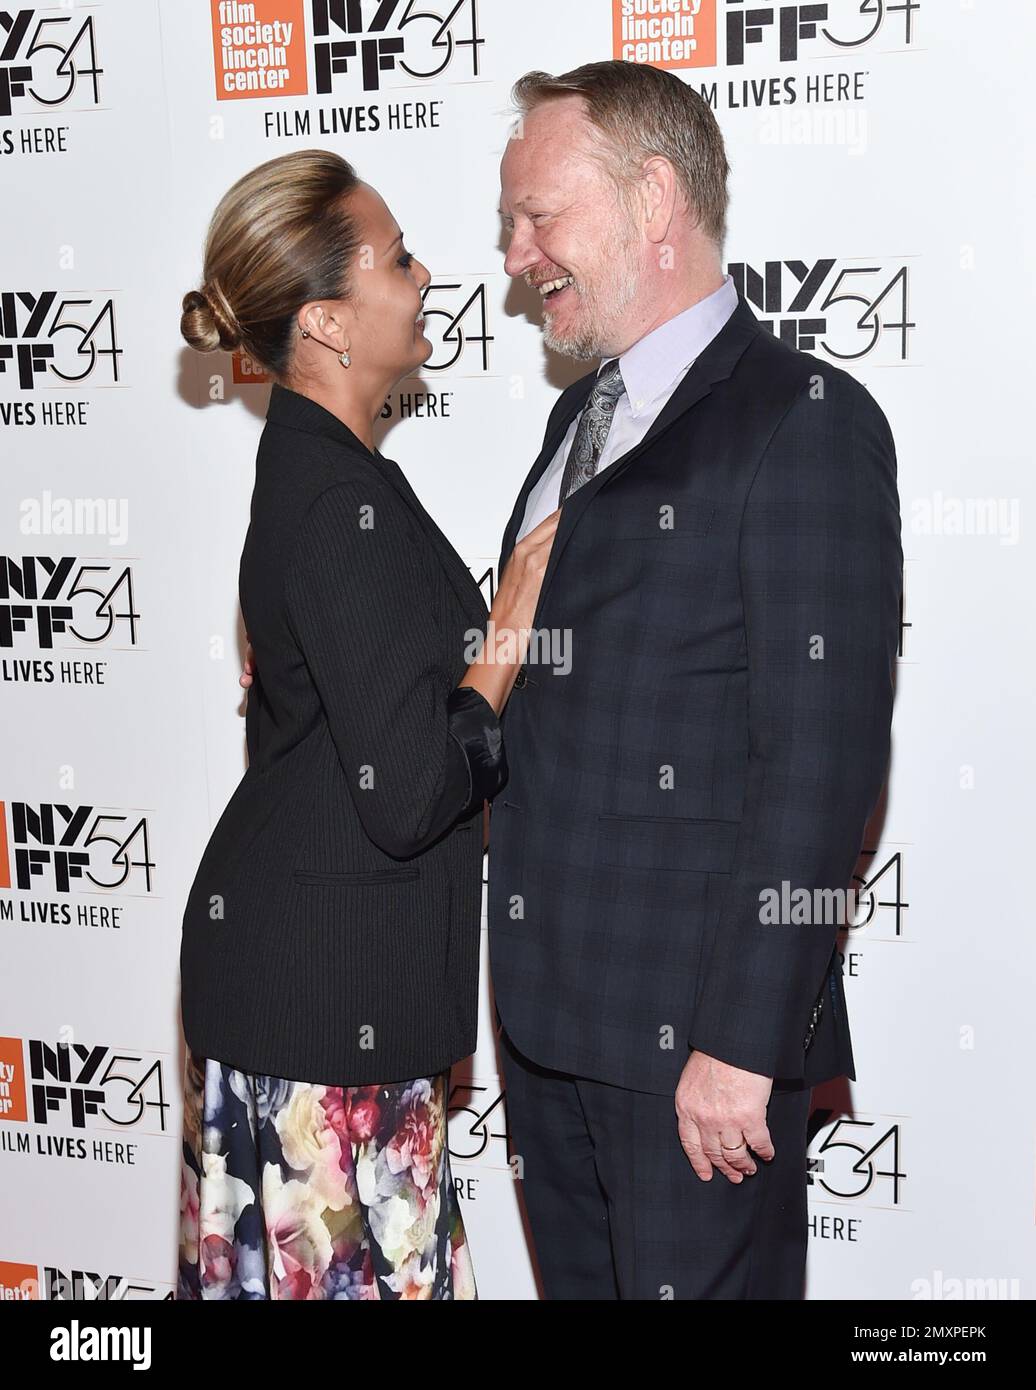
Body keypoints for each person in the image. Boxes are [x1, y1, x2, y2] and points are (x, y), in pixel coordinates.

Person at [488, 61, 903, 1299]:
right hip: (549, 1031)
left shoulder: (806, 417)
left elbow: (821, 764)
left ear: (653, 197)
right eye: (510, 226)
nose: (514, 257)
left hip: (694, 1061)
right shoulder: (579, 420)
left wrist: (739, 1043)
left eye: (536, 216)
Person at [177, 148, 557, 1300]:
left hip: (310, 992)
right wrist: (504, 643)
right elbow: (403, 792)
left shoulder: (322, 474)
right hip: (323, 1016)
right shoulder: (339, 495)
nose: (429, 272)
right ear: (331, 322)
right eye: (397, 256)